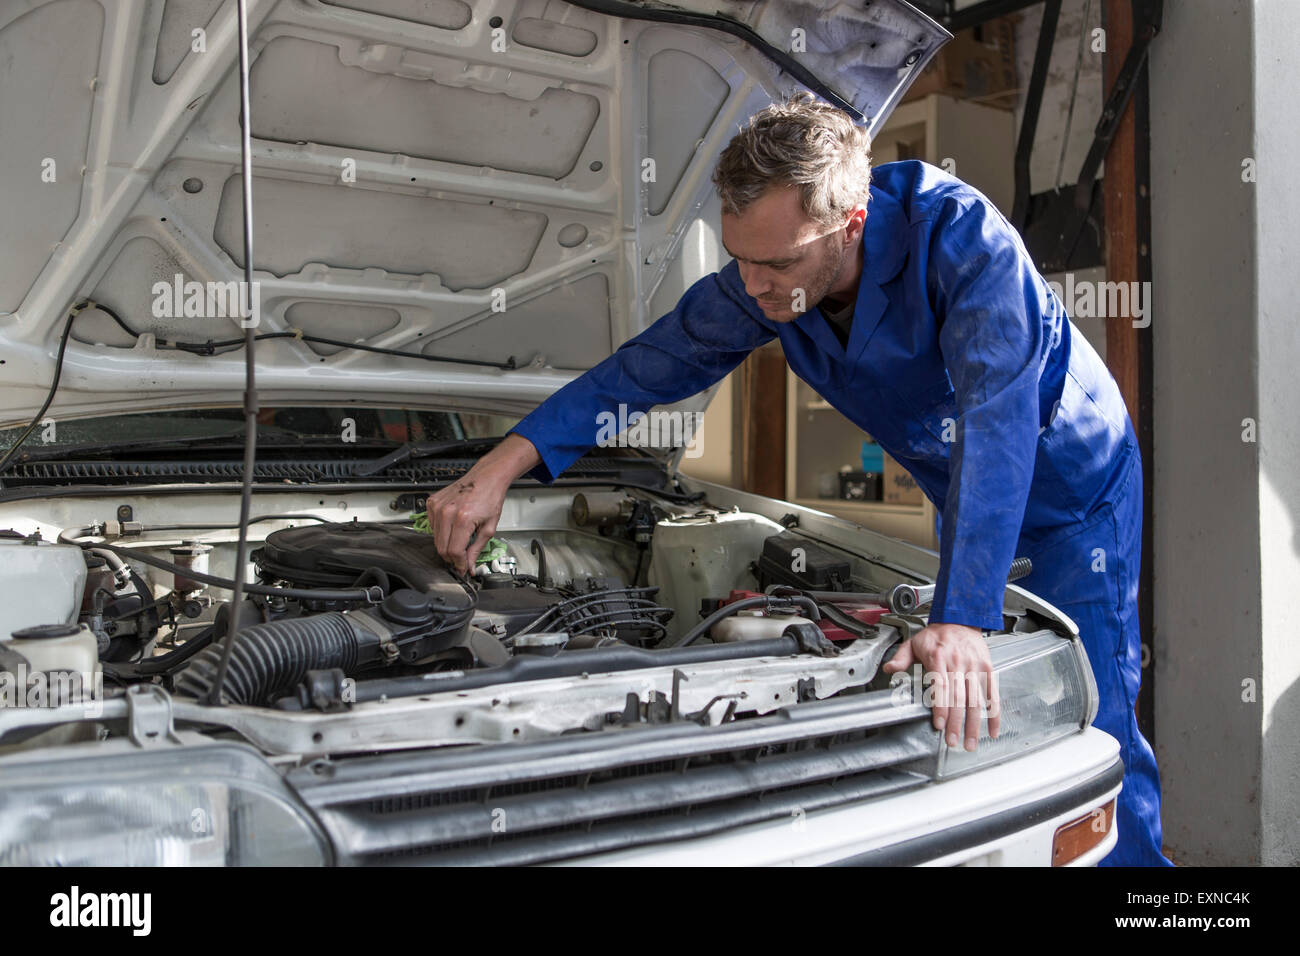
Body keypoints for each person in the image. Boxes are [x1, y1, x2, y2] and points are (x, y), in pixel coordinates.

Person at [425, 93, 1170, 867]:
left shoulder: (966, 245)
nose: (753, 287)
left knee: (1096, 726)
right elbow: (649, 367)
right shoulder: (770, 276)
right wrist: (501, 465)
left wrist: (963, 616)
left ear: (851, 224)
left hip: (1071, 490)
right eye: (739, 257)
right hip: (962, 488)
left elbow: (998, 423)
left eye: (777, 263)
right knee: (973, 718)